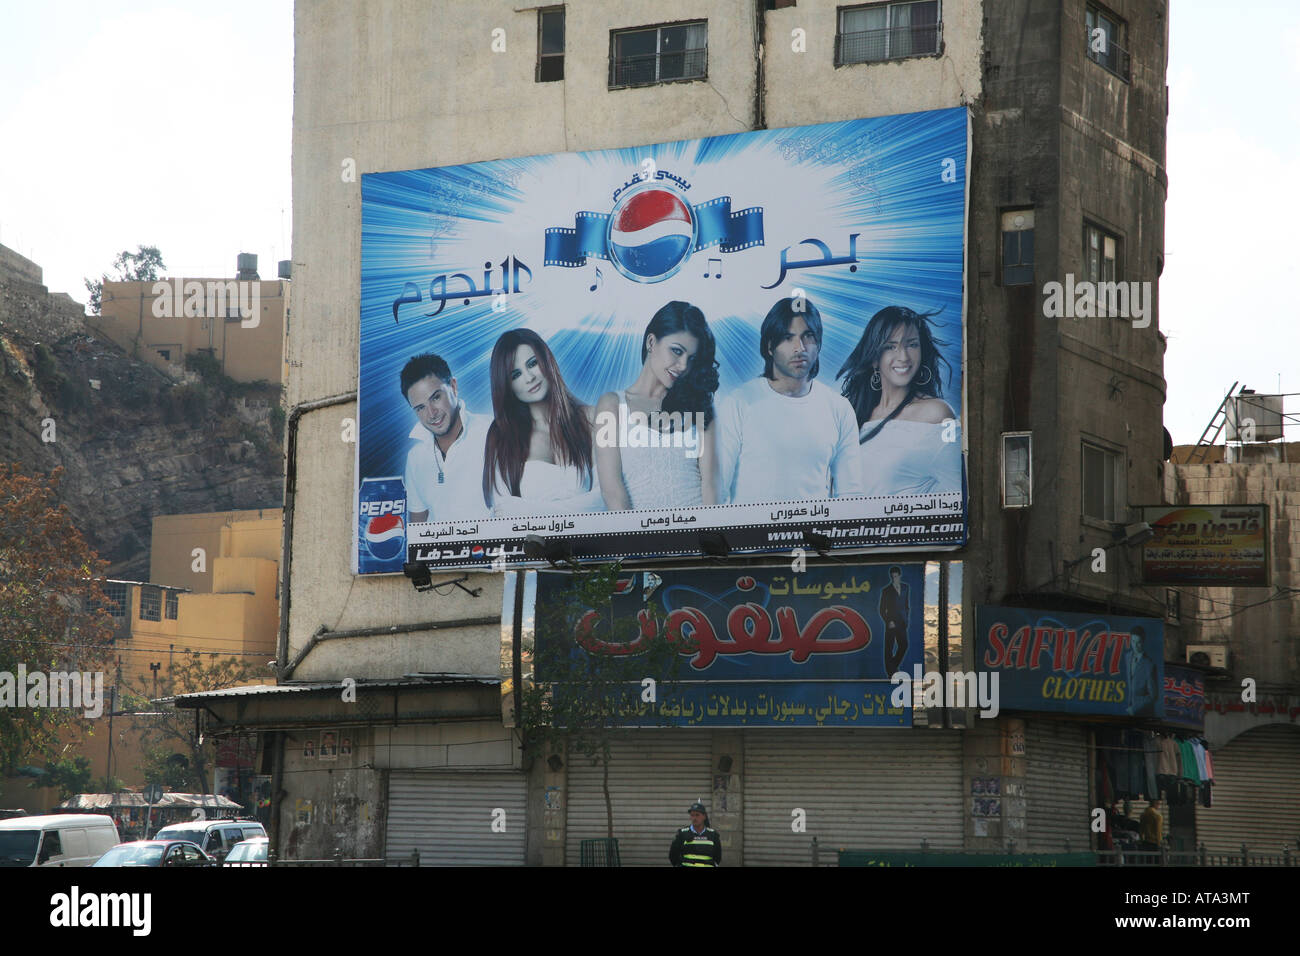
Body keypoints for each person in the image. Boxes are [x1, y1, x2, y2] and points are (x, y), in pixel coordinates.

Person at [715, 296, 864, 504]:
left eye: (808, 336)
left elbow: (850, 495)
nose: (799, 347)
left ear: (818, 343)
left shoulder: (838, 408)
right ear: (769, 347)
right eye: (787, 338)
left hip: (814, 535)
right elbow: (717, 490)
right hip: (751, 535)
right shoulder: (738, 403)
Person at [595, 301, 720, 510]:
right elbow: (612, 492)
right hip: (639, 538)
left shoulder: (700, 405)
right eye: (677, 351)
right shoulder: (611, 406)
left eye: (691, 359)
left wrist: (708, 539)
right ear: (651, 342)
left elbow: (710, 485)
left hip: (697, 535)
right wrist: (638, 542)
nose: (683, 366)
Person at [836, 306, 960, 497]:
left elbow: (958, 495)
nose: (903, 357)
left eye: (912, 345)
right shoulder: (855, 414)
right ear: (874, 359)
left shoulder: (936, 414)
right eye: (891, 346)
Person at [483, 328, 603, 515]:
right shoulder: (501, 435)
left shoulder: (591, 418)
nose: (529, 378)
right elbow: (503, 512)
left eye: (532, 364)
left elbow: (604, 500)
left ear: (547, 361)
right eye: (515, 375)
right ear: (506, 386)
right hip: (532, 544)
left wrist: (528, 510)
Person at [400, 353, 489, 523]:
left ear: (453, 387)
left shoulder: (491, 432)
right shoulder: (415, 457)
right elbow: (417, 524)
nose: (431, 414)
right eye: (420, 408)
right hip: (438, 548)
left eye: (436, 397)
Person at [878, 565, 911, 674]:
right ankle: (890, 673)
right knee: (889, 648)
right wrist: (889, 621)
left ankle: (893, 666)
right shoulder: (886, 590)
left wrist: (906, 618)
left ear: (899, 576)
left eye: (896, 576)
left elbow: (906, 605)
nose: (894, 579)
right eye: (892, 577)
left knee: (904, 645)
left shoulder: (906, 587)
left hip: (902, 622)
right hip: (891, 623)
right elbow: (882, 609)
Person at [668, 801, 721, 868]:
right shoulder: (682, 834)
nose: (694, 818)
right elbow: (673, 855)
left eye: (697, 815)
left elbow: (717, 857)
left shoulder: (713, 835)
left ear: (704, 816)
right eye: (692, 815)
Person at [1127, 626, 1159, 716]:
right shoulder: (1127, 657)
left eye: (1139, 642)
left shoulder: (1150, 665)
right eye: (1133, 642)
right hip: (1127, 712)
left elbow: (1153, 696)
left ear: (1143, 642)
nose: (1135, 646)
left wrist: (1134, 708)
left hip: (1143, 713)